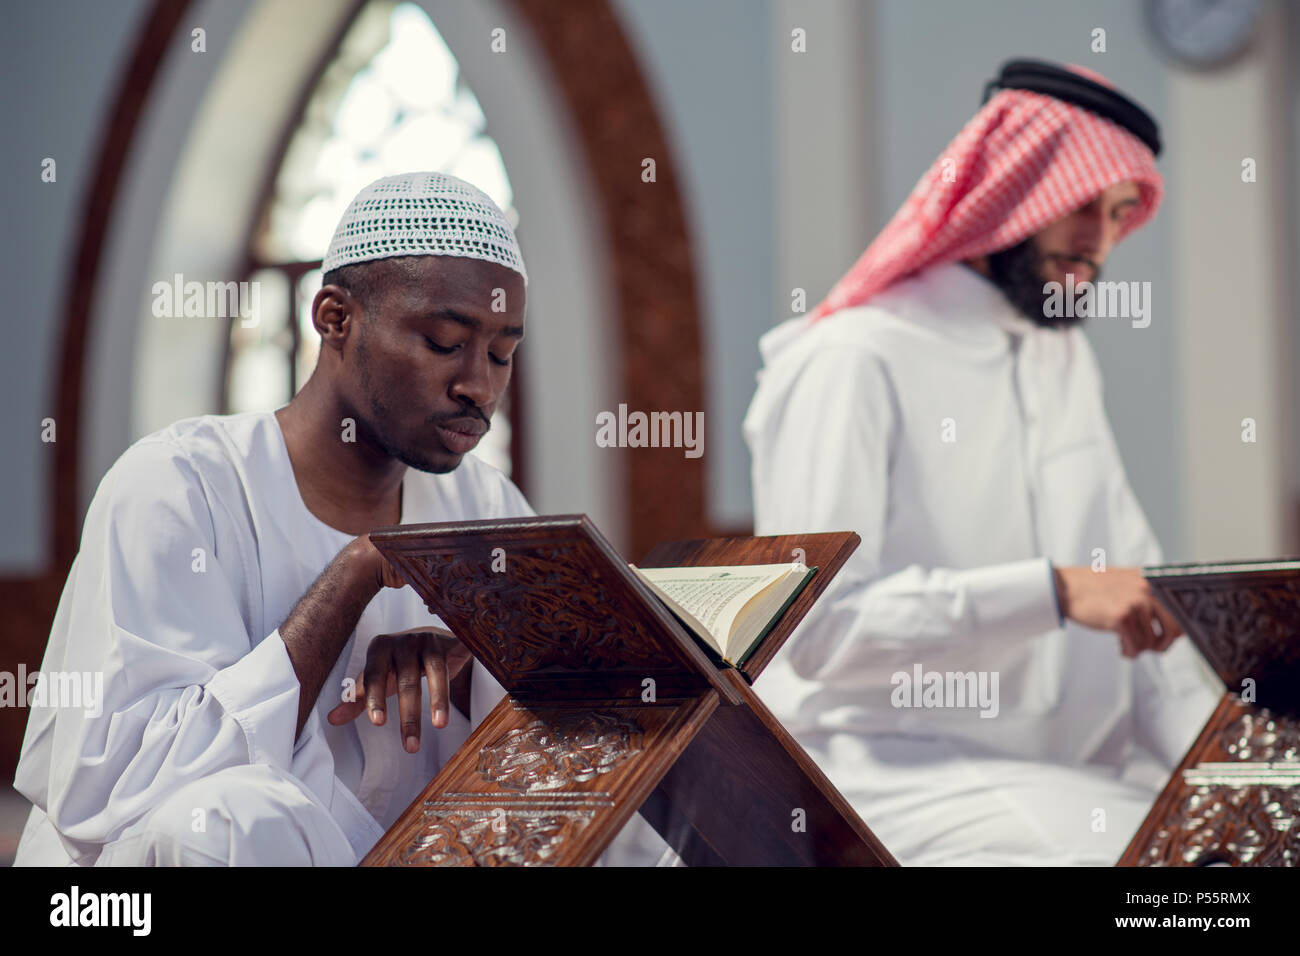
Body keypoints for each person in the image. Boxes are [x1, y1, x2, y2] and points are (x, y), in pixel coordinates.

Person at [12, 171, 664, 866]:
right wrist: (353, 577)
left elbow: (572, 742)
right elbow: (112, 787)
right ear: (334, 319)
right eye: (445, 342)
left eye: (502, 353)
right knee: (234, 821)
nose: (479, 384)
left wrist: (477, 660)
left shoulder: (486, 507)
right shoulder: (180, 486)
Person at [743, 60, 1221, 866]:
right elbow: (817, 632)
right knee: (1152, 873)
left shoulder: (1062, 363)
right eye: (1077, 204)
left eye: (1117, 214)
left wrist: (1230, 768)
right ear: (1012, 189)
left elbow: (1146, 615)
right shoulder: (853, 359)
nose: (1097, 244)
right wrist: (1054, 592)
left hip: (1063, 774)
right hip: (882, 769)